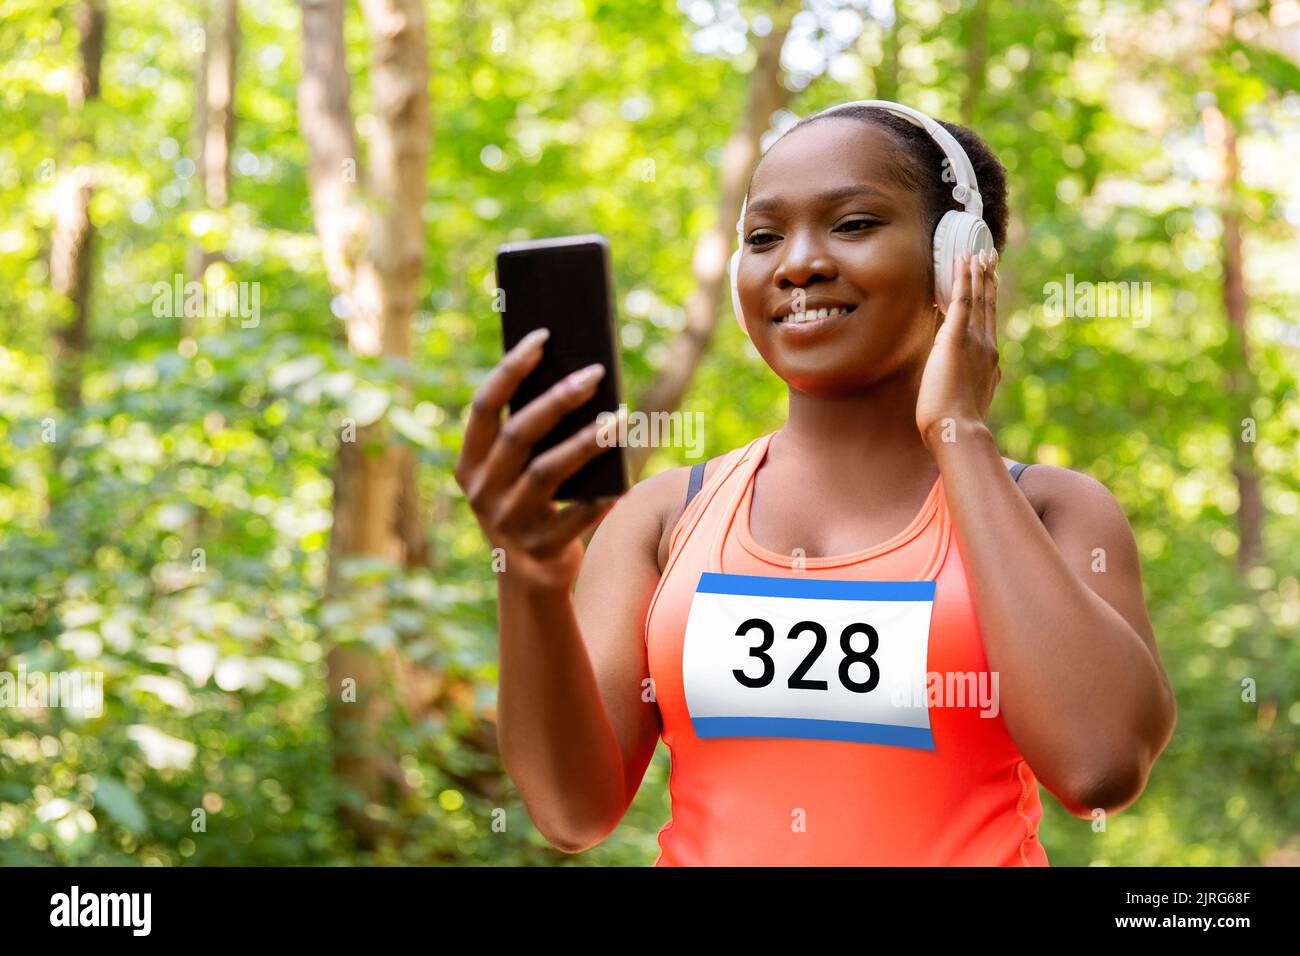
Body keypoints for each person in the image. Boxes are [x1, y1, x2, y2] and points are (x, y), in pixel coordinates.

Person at [454, 101, 1177, 865]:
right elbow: (572, 813)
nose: (796, 263)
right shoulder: (664, 517)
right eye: (763, 238)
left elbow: (1099, 765)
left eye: (854, 224)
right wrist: (531, 579)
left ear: (958, 258)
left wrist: (960, 433)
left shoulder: (1052, 511)